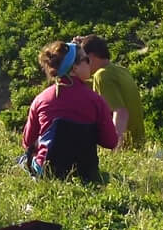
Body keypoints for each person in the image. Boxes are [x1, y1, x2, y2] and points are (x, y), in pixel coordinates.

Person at [20, 39, 118, 180]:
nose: (90, 63)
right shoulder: (96, 100)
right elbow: (110, 142)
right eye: (86, 60)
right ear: (74, 68)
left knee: (23, 160)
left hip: (48, 172)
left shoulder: (41, 99)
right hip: (85, 173)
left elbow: (28, 142)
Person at [75, 34, 145, 151]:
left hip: (125, 148)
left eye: (83, 59)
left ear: (91, 57)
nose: (82, 64)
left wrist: (115, 148)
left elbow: (121, 112)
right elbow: (82, 83)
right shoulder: (121, 71)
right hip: (138, 145)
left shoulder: (102, 76)